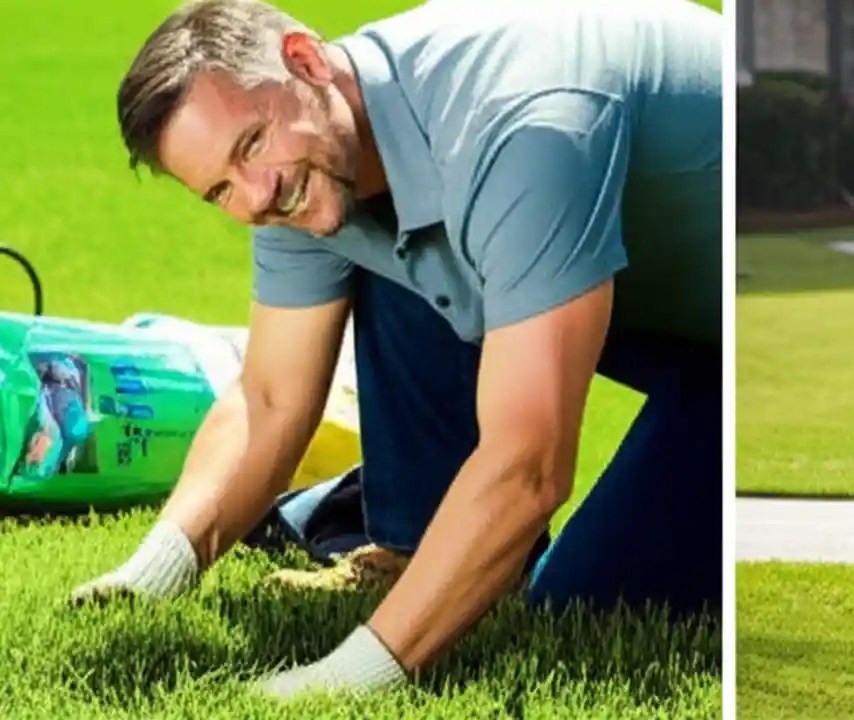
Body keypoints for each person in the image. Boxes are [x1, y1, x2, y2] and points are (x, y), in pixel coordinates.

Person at [68, 0, 723, 700]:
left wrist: (348, 678)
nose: (256, 196)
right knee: (376, 230)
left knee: (587, 610)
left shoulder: (520, 127)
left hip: (725, 344)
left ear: (306, 60)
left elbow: (529, 466)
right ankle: (413, 549)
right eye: (220, 189)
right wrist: (155, 570)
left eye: (251, 144)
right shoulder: (306, 151)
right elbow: (270, 397)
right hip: (619, 282)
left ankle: (443, 550)